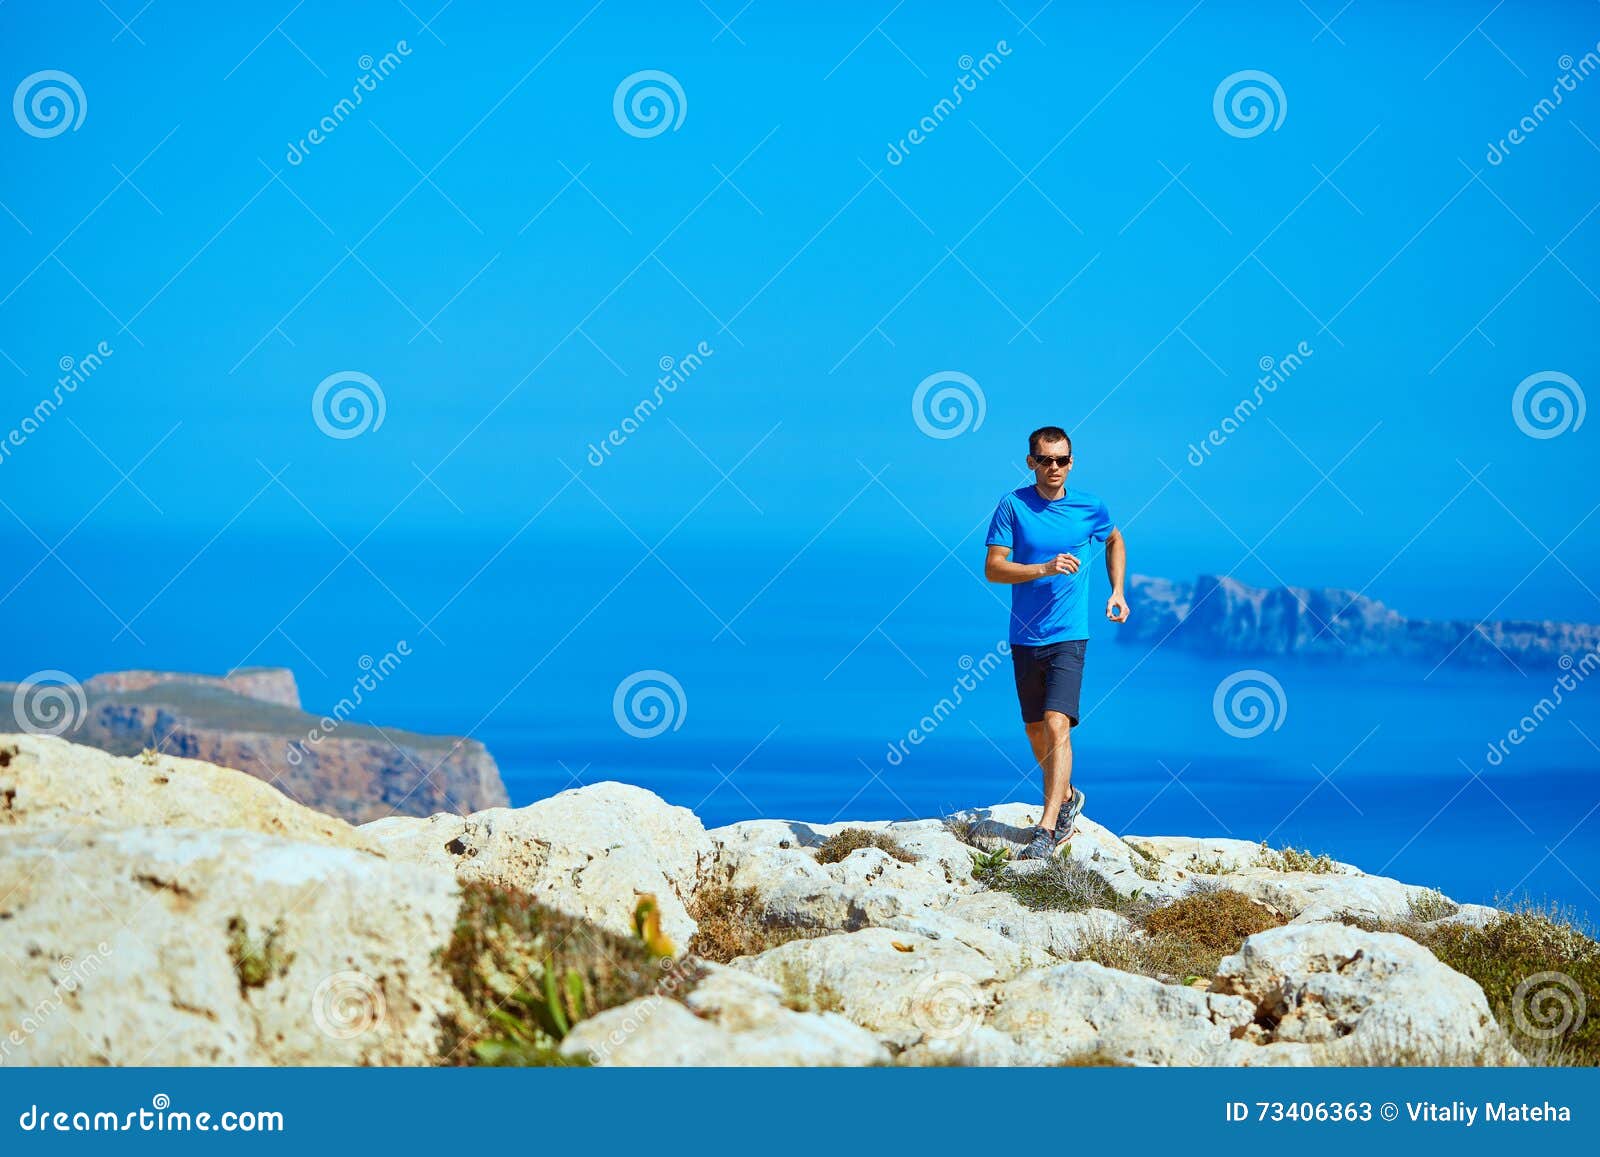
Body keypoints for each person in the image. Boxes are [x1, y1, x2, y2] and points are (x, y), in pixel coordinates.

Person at [984, 425, 1129, 859]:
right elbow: (994, 568)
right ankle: (1066, 796)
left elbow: (1115, 539)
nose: (1054, 467)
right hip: (1025, 636)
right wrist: (1043, 569)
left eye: (1062, 460)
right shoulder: (1012, 506)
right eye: (1045, 460)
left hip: (1070, 634)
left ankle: (1047, 828)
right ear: (1031, 462)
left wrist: (1117, 590)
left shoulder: (1090, 506)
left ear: (1071, 462)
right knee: (1033, 729)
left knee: (1056, 722)